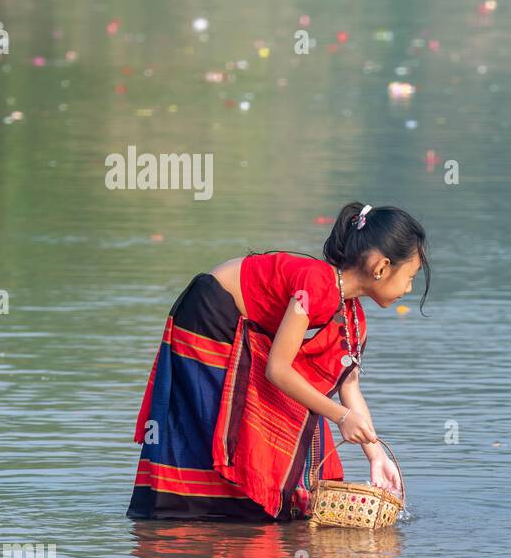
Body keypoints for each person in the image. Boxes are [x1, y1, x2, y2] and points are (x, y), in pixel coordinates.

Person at [128, 203, 428, 522]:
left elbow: (349, 388)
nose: (408, 289)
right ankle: (195, 514)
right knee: (226, 419)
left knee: (300, 420)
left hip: (248, 328)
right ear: (381, 267)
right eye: (409, 277)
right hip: (211, 314)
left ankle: (247, 515)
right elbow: (278, 370)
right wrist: (341, 418)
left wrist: (376, 455)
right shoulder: (316, 284)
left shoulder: (352, 316)